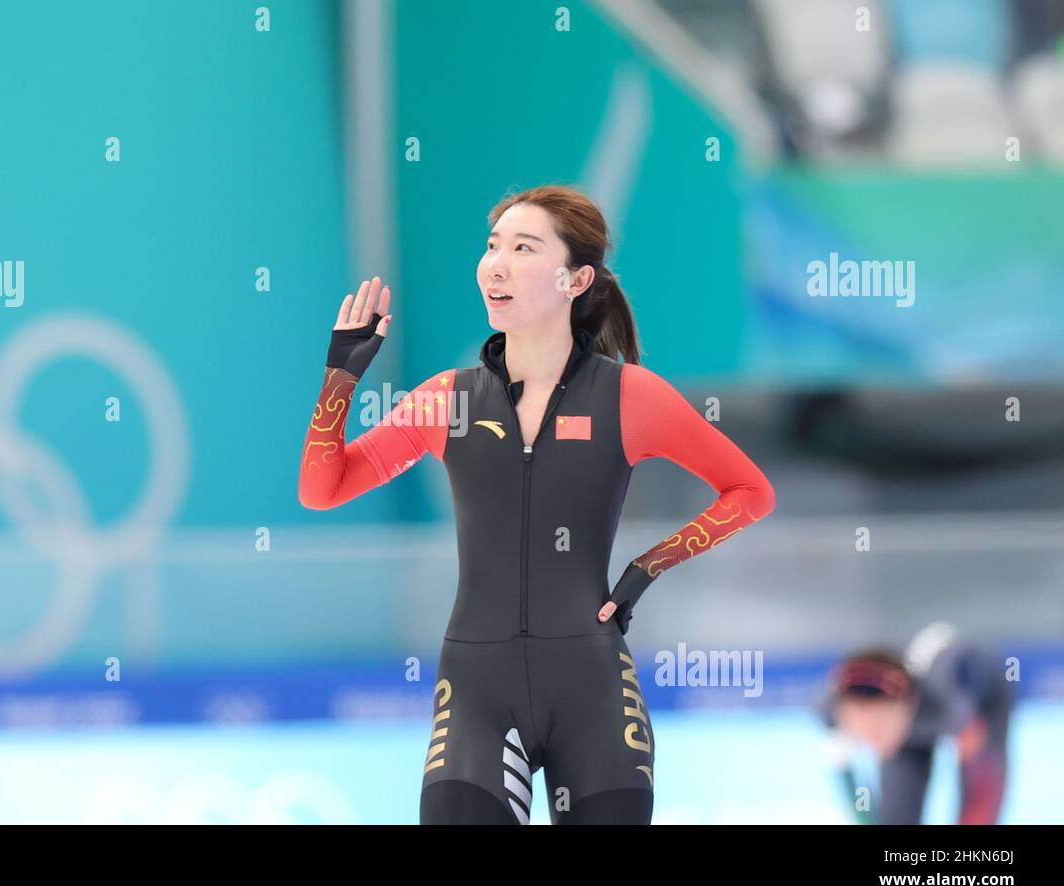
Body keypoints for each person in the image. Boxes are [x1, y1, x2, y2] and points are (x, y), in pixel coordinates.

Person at [299, 184, 777, 824]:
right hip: (477, 688)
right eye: (493, 245)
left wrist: (646, 569)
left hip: (592, 688)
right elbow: (321, 489)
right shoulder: (450, 400)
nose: (497, 263)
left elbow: (750, 492)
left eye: (524, 247)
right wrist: (341, 375)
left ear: (576, 279)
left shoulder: (629, 396)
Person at [819, 621, 1014, 825]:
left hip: (980, 704)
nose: (873, 742)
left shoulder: (949, 699)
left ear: (910, 704)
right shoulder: (828, 708)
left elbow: (981, 781)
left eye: (879, 729)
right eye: (863, 731)